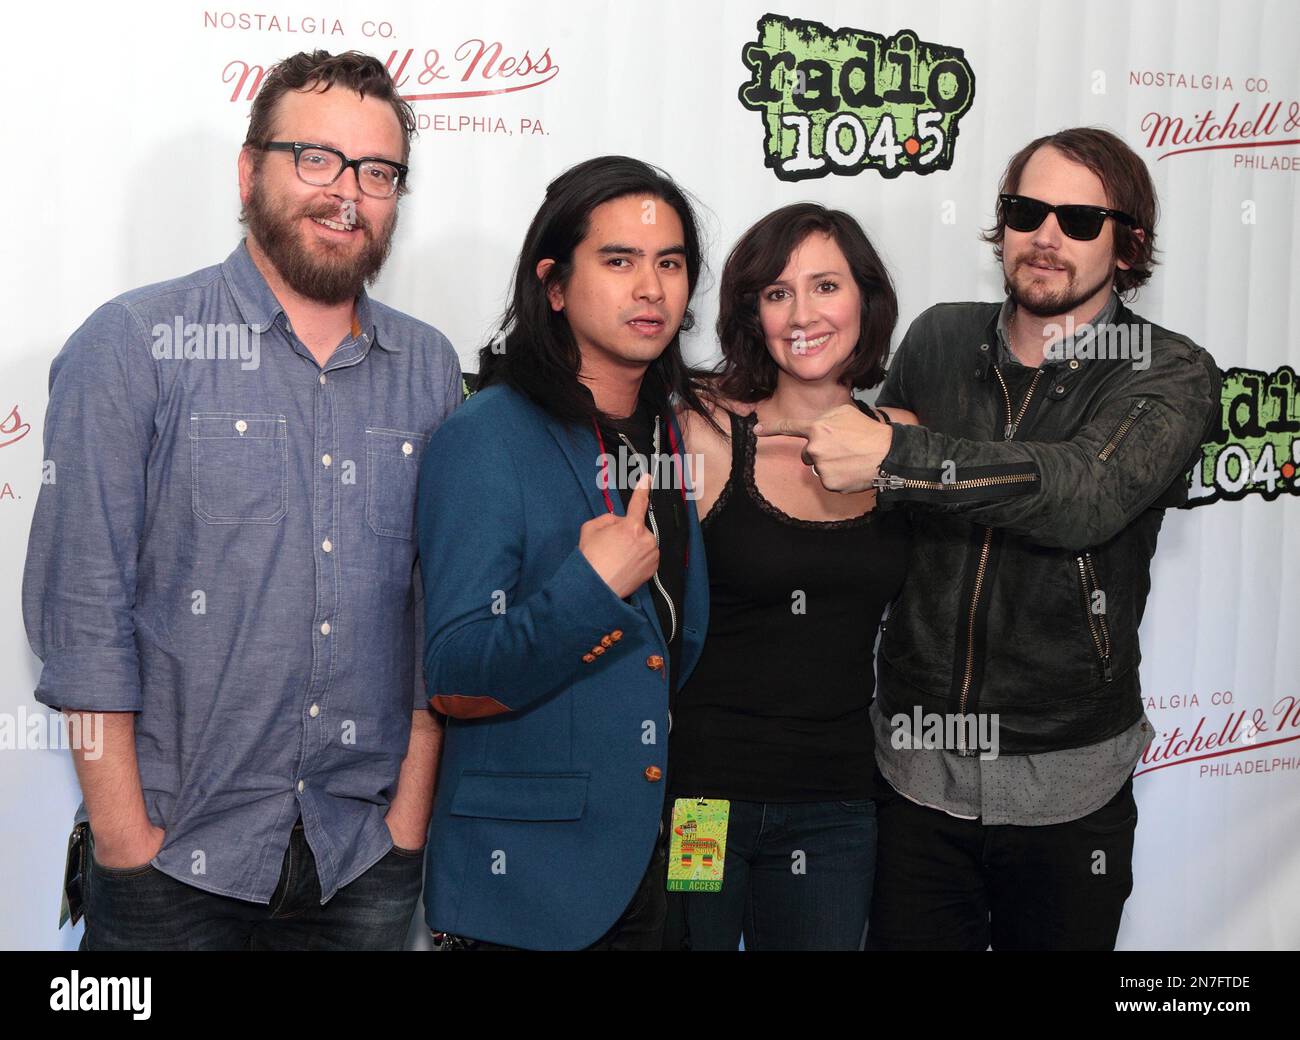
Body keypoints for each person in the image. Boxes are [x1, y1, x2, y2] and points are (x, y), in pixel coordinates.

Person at [22, 49, 461, 950]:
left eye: (378, 172)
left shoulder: (428, 369)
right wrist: (124, 840)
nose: (347, 191)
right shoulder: (135, 344)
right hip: (173, 864)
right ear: (248, 169)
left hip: (361, 862)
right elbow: (80, 613)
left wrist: (405, 828)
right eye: (316, 158)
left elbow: (430, 616)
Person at [760, 127, 1222, 950]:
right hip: (911, 776)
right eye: (1025, 210)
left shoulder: (1167, 369)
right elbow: (871, 507)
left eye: (1080, 219)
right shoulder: (941, 339)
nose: (1046, 236)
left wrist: (901, 455)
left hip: (1067, 785)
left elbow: (1082, 492)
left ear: (1128, 244)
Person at [415, 155, 713, 950]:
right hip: (528, 893)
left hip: (654, 876)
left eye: (671, 263)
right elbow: (452, 678)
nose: (651, 288)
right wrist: (586, 588)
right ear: (552, 285)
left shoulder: (669, 435)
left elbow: (666, 664)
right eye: (619, 261)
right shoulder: (486, 437)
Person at [663, 204, 915, 950]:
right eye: (777, 293)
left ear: (864, 300)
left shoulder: (908, 442)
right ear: (753, 315)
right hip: (701, 800)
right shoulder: (700, 431)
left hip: (836, 803)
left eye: (826, 286)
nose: (803, 313)